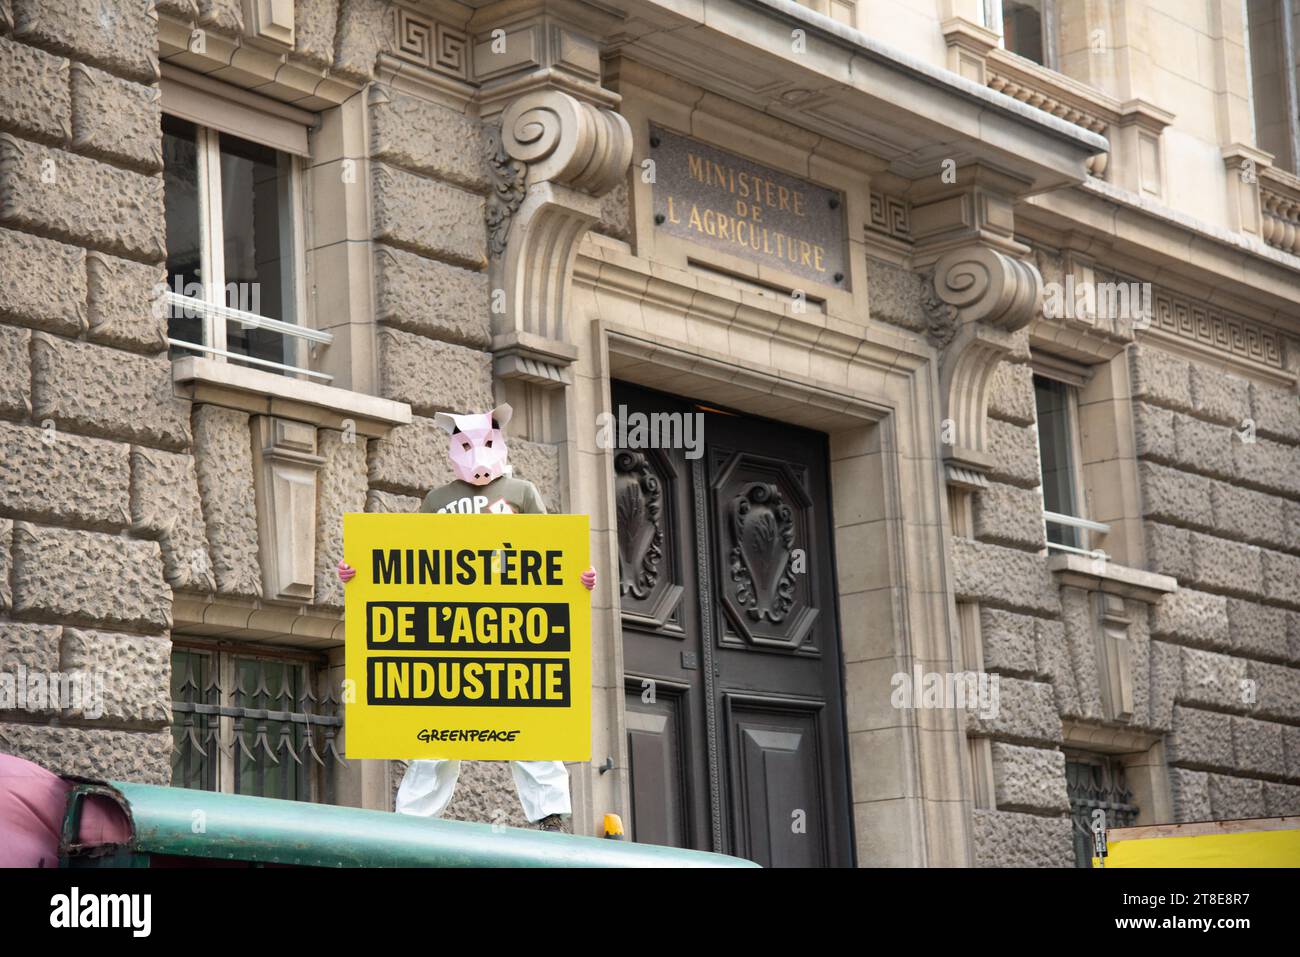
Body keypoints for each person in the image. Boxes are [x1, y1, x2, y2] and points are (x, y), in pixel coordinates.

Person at [337, 404, 595, 833]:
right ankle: (413, 823)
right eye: (467, 446)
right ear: (452, 448)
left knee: (528, 721)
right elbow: (408, 561)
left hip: (513, 627)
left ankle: (552, 817)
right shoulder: (437, 500)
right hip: (448, 633)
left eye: (487, 444)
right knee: (435, 731)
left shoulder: (523, 493)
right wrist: (358, 574)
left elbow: (554, 552)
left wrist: (580, 577)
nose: (478, 456)